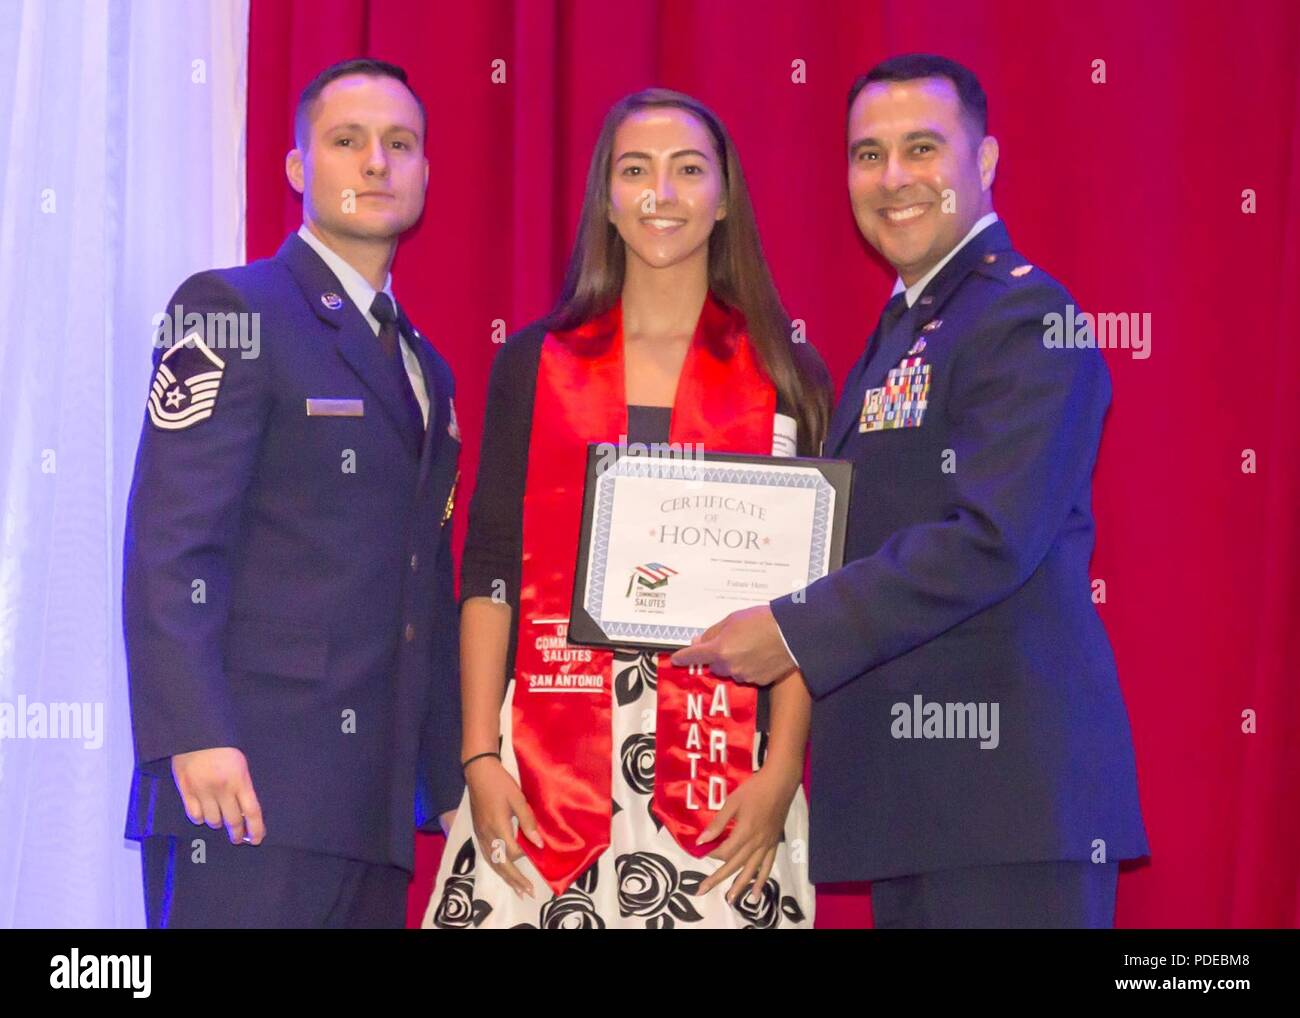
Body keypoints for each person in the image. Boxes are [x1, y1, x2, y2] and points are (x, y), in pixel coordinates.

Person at [672, 54, 1150, 928]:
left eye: (922, 148)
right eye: (868, 155)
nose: (893, 179)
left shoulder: (1024, 317)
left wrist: (789, 628)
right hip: (924, 807)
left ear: (988, 160)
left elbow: (991, 536)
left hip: (1007, 802)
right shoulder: (904, 331)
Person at [423, 88, 830, 929]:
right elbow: (491, 565)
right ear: (606, 198)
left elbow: (810, 597)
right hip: (544, 742)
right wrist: (478, 755)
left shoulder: (786, 372)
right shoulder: (534, 363)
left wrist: (783, 764)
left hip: (723, 748)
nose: (661, 194)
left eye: (689, 171)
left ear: (723, 198)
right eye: (634, 170)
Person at [123, 58, 463, 928]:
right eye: (347, 142)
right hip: (242, 792)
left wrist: (449, 771)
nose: (377, 163)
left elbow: (427, 583)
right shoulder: (232, 308)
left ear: (426, 170)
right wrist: (192, 734)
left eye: (401, 144)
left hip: (372, 807)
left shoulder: (424, 365)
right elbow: (171, 543)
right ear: (298, 169)